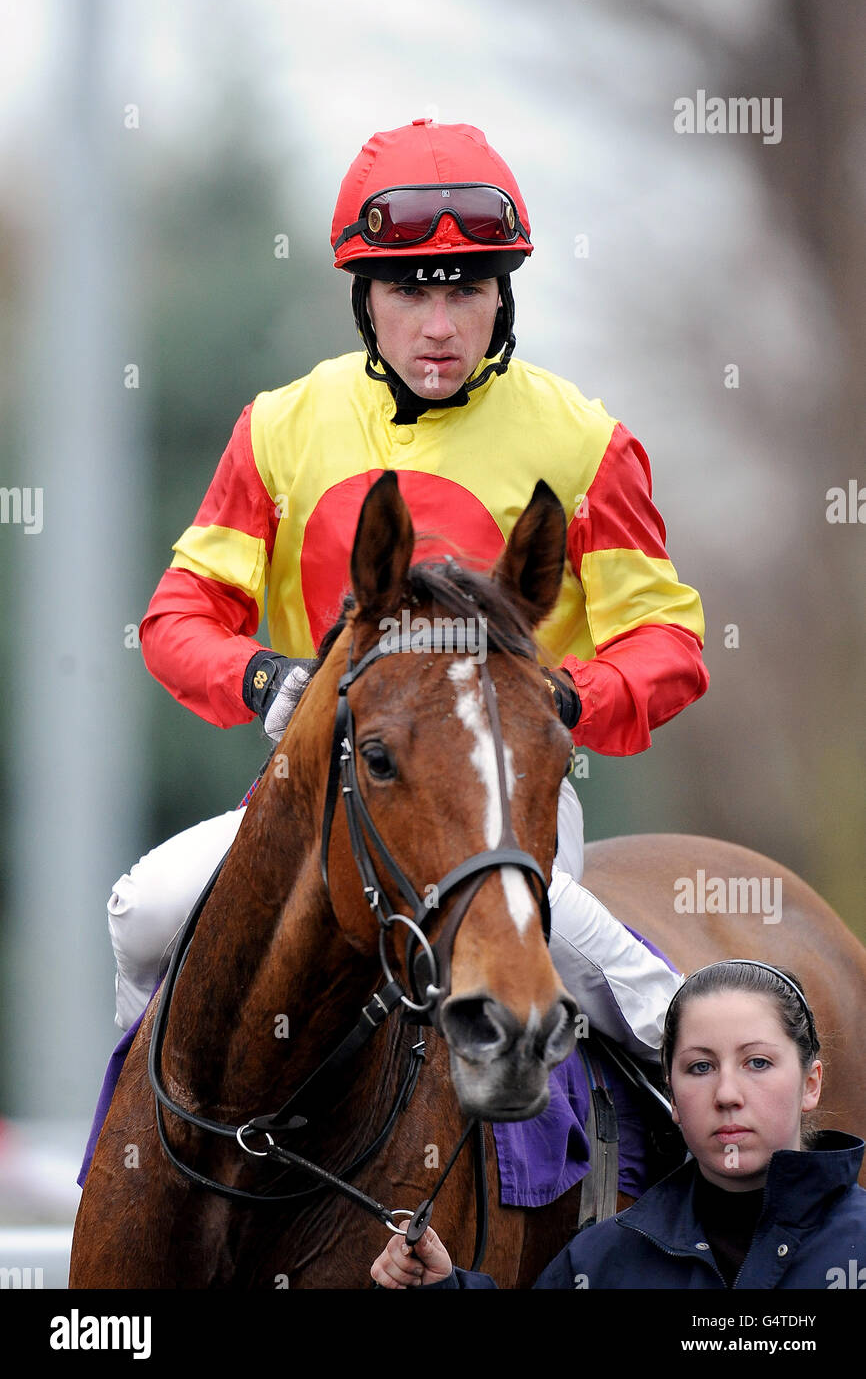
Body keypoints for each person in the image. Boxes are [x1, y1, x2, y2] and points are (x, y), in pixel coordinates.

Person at [107, 119, 709, 1063]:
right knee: (145, 910)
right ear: (365, 299)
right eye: (409, 292)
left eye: (466, 291)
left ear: (502, 296)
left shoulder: (586, 442)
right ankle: (137, 1140)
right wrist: (268, 680)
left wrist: (564, 697)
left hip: (507, 801)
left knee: (613, 979)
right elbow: (178, 618)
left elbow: (668, 641)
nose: (439, 326)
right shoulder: (278, 429)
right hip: (326, 790)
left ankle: (706, 1109)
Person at [370, 960, 866, 1290]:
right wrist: (442, 1286)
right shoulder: (600, 1262)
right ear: (672, 1095)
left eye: (757, 1062)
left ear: (811, 1084)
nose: (727, 1094)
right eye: (700, 1067)